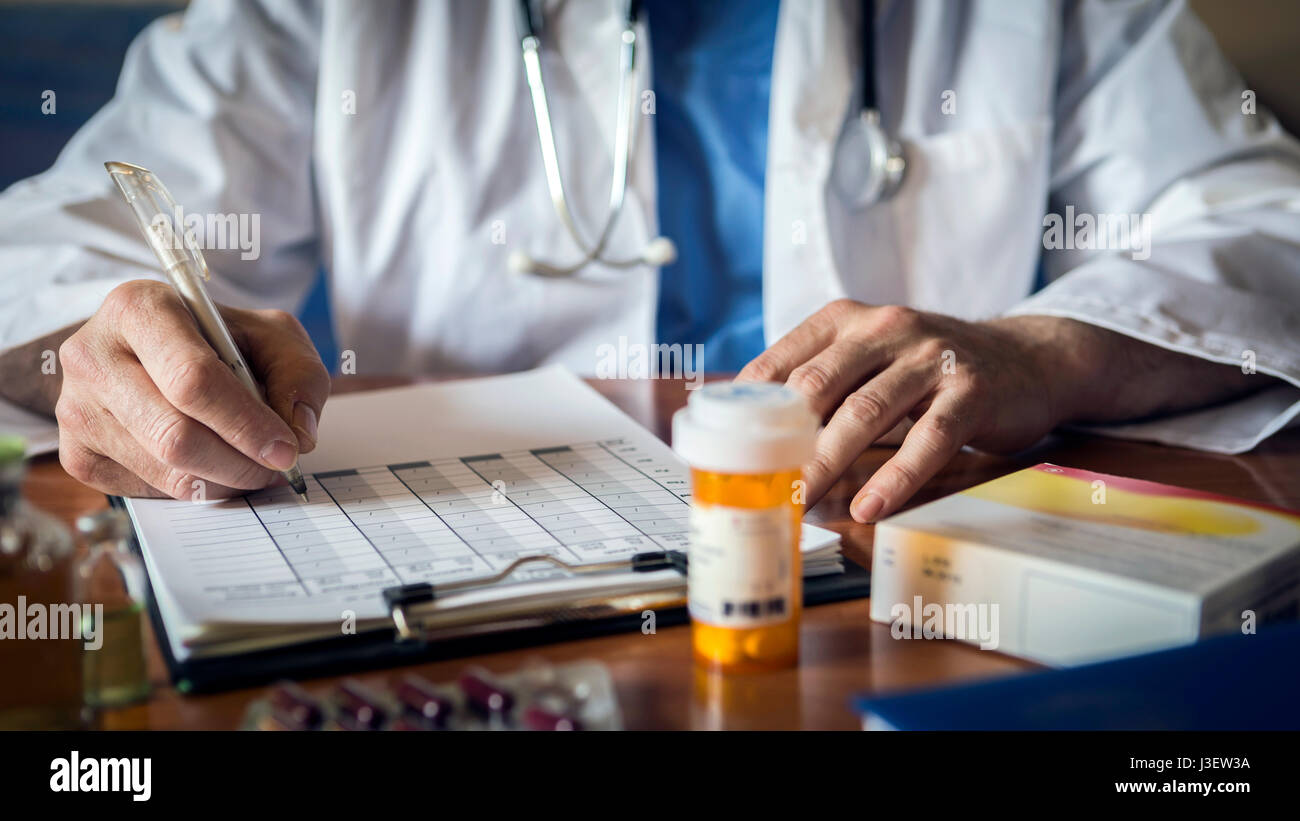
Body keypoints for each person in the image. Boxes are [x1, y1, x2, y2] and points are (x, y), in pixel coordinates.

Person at [0, 0, 1296, 524]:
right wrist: (112, 347)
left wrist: (1040, 352)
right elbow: (58, 245)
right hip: (469, 575)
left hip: (898, 583)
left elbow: (1259, 218)